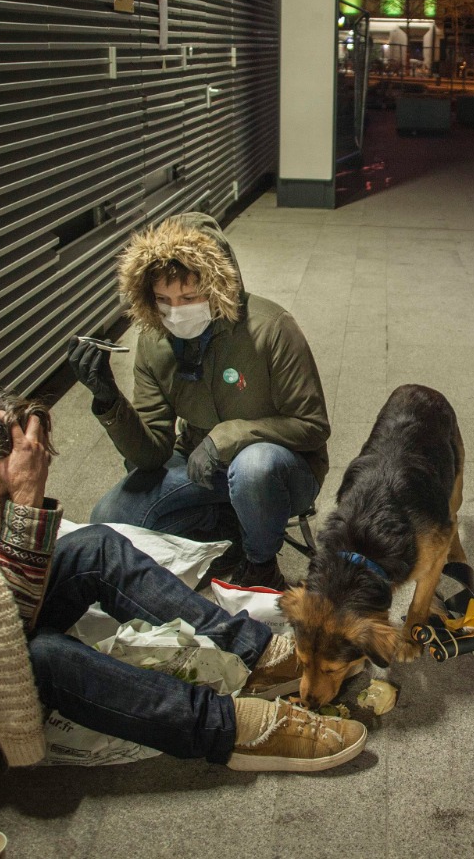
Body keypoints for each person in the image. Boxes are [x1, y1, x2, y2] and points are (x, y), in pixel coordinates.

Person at [0, 368, 364, 772]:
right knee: (40, 656)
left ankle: (259, 654)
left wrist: (26, 421)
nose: (3, 510)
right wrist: (26, 501)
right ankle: (233, 730)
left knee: (95, 545)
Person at [70, 214, 329, 590]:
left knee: (253, 466)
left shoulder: (272, 328)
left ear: (218, 286)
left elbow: (313, 426)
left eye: (189, 297)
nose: (176, 311)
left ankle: (261, 564)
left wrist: (228, 437)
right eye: (163, 300)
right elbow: (150, 455)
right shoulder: (154, 342)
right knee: (108, 519)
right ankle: (227, 527)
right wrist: (110, 402)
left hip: (281, 468)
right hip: (199, 464)